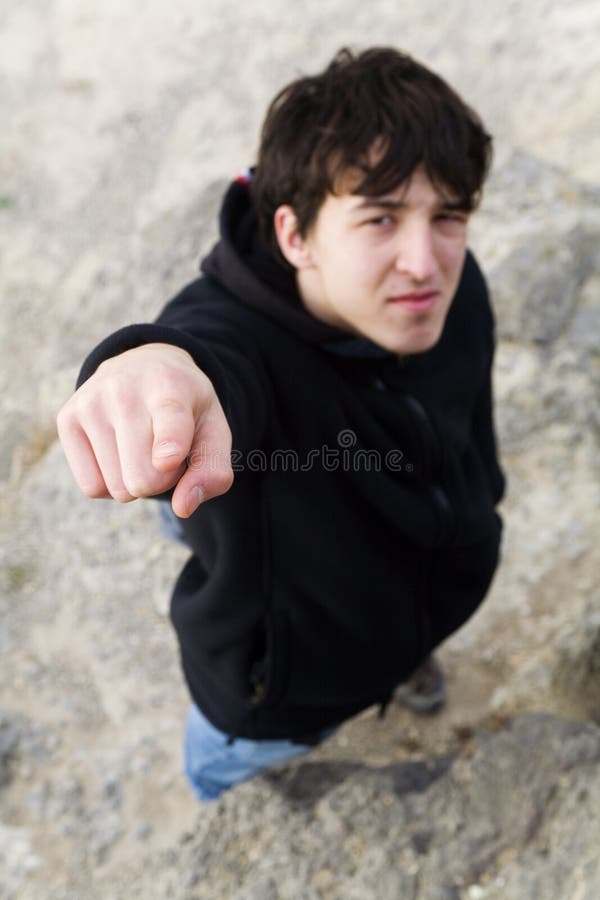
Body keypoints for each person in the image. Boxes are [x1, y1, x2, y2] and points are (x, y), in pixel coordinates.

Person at [56, 47, 505, 801]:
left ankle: (405, 654)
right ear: (295, 236)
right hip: (278, 700)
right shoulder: (242, 340)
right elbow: (202, 356)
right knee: (231, 793)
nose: (425, 263)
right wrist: (149, 365)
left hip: (412, 598)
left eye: (449, 216)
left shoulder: (441, 290)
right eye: (380, 218)